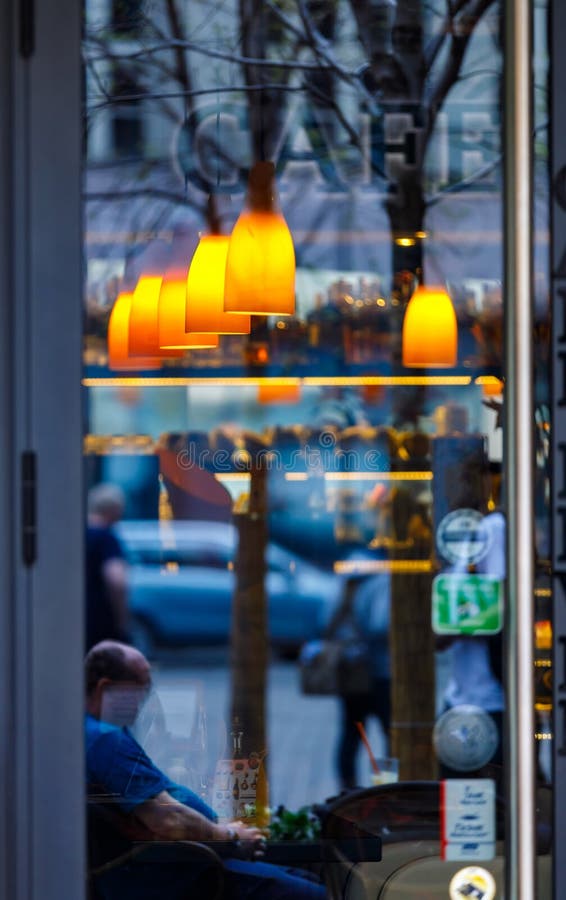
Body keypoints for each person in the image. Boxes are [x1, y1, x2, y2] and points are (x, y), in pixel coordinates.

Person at [86, 641, 326, 900]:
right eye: (140, 688)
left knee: (303, 878)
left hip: (187, 857)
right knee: (312, 892)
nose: (144, 699)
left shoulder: (98, 731)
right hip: (177, 870)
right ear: (106, 687)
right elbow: (167, 820)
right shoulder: (105, 740)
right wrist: (229, 836)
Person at [327, 572, 391, 790]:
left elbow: (325, 620)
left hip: (352, 671)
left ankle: (348, 792)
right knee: (391, 734)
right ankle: (388, 789)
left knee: (351, 734)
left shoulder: (347, 580)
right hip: (382, 672)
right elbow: (381, 624)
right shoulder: (384, 580)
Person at [86, 483, 129, 650]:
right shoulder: (106, 538)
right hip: (101, 622)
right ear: (114, 509)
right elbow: (116, 580)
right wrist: (122, 622)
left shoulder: (78, 533)